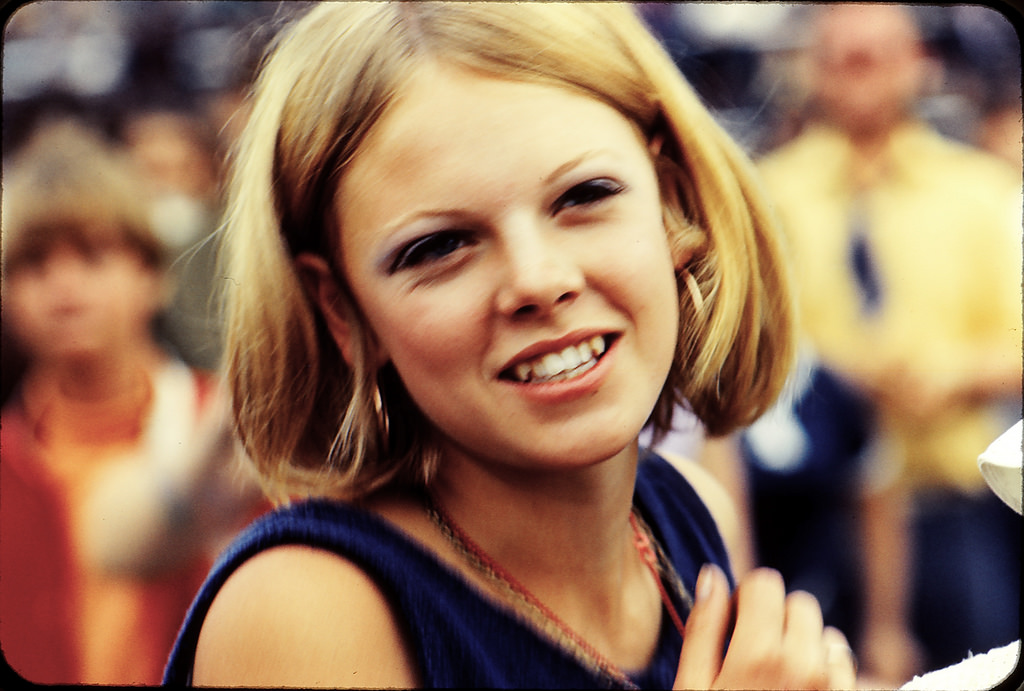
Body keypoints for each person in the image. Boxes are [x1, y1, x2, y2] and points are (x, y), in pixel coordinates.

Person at [163, 4, 857, 688]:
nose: (538, 280)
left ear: (672, 203)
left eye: (584, 195)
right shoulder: (305, 612)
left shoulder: (691, 518)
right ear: (344, 311)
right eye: (439, 247)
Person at [756, 4, 1023, 684]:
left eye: (876, 55)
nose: (861, 73)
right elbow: (753, 340)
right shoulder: (770, 194)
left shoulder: (978, 192)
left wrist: (954, 373)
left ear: (916, 64)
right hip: (818, 516)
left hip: (948, 507)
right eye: (843, 58)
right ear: (815, 71)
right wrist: (835, 376)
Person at [0, 119, 263, 685]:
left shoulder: (232, 427)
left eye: (93, 256)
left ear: (153, 277)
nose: (63, 285)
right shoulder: (10, 457)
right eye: (35, 263)